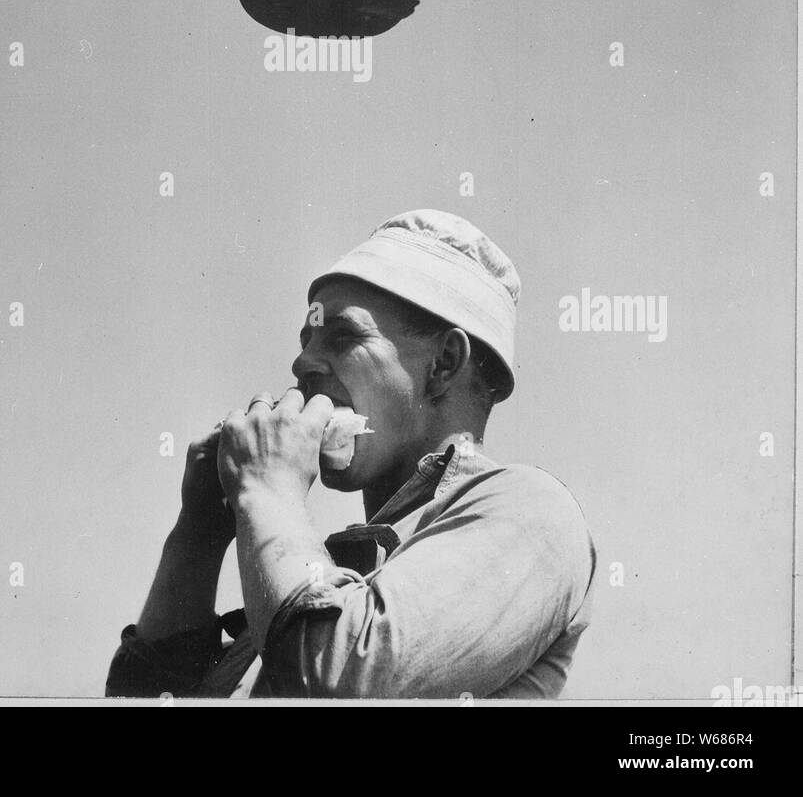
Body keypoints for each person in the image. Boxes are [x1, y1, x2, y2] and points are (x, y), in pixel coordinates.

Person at [106, 210, 596, 699]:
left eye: (344, 337)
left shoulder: (530, 511)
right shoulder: (316, 585)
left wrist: (265, 488)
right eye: (307, 340)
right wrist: (197, 536)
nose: (301, 363)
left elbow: (341, 677)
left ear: (443, 364)